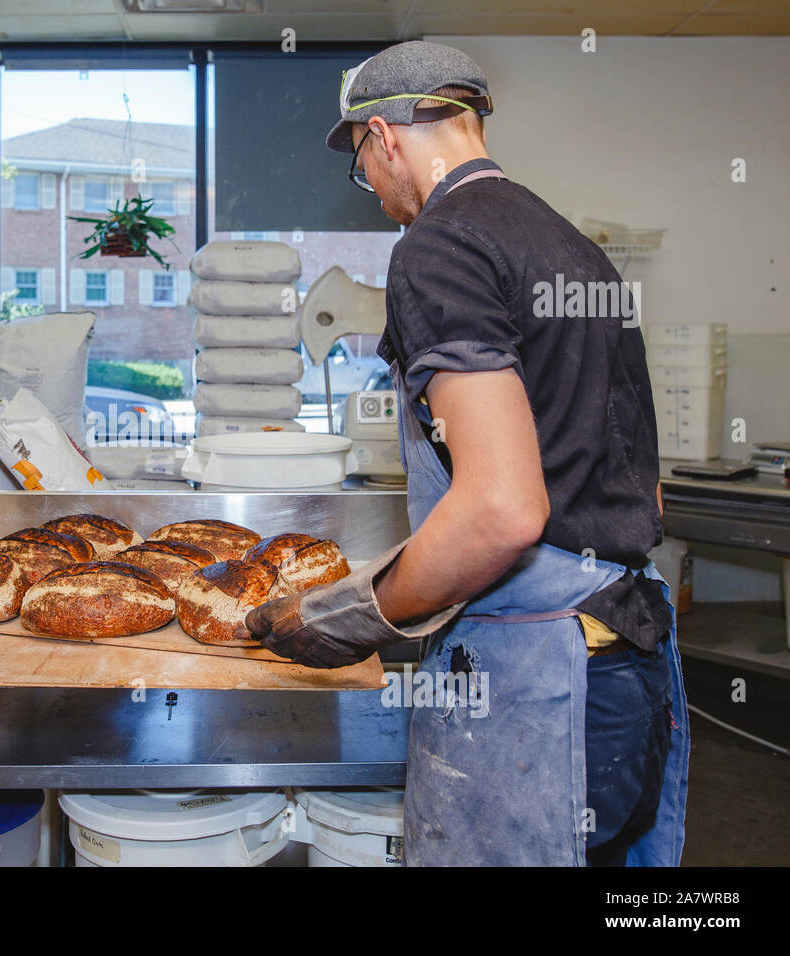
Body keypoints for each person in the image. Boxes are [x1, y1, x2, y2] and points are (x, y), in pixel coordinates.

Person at [246, 40, 689, 866]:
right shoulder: (575, 250)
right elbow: (643, 499)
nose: (374, 193)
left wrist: (348, 618)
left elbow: (503, 510)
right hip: (629, 667)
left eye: (363, 168)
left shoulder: (439, 247)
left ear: (383, 136)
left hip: (540, 688)